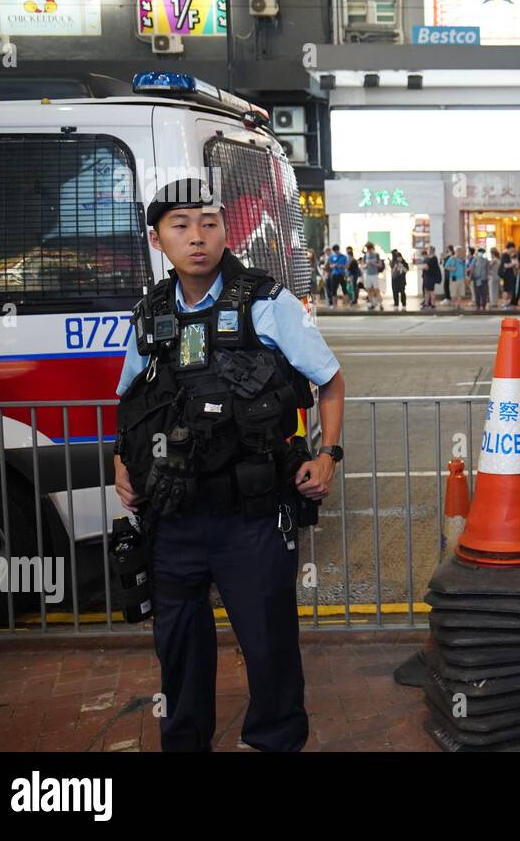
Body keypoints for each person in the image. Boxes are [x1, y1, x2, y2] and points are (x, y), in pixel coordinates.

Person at [113, 179, 346, 752]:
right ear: (157, 238)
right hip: (174, 516)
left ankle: (274, 740)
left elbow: (330, 380)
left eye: (209, 222)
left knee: (268, 642)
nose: (197, 236)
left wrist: (327, 454)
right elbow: (131, 401)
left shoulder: (268, 302)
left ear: (226, 230)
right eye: (181, 225)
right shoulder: (149, 315)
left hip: (254, 515)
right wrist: (121, 461)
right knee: (180, 644)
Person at [362, 242, 384, 312]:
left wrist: (374, 264)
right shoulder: (365, 256)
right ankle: (372, 303)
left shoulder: (376, 255)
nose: (369, 251)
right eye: (368, 249)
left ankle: (380, 304)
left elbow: (380, 265)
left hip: (374, 275)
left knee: (376, 290)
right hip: (368, 274)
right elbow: (363, 266)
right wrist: (367, 265)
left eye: (371, 249)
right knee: (369, 290)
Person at [469, 246, 490, 311]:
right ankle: (478, 305)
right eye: (480, 252)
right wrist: (470, 277)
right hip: (476, 278)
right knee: (477, 292)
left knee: (484, 292)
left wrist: (488, 276)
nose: (481, 253)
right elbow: (472, 268)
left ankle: (483, 305)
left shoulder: (486, 261)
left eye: (482, 252)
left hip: (484, 279)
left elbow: (488, 269)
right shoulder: (475, 260)